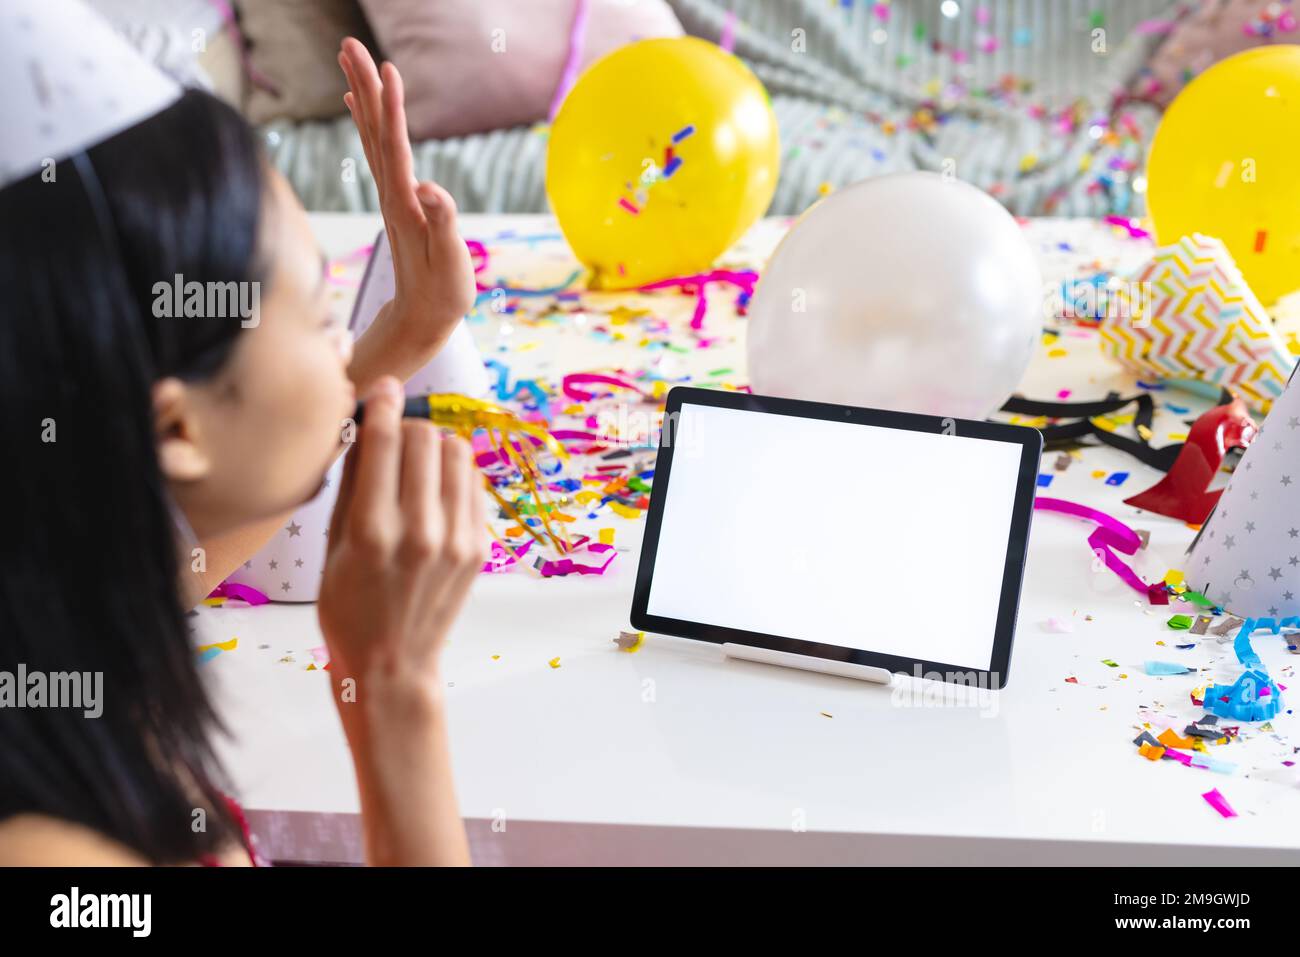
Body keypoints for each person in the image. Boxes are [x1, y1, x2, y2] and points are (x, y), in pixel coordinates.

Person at [0, 5, 482, 867]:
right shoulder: (50, 857)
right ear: (177, 426)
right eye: (324, 313)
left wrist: (405, 333)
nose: (343, 346)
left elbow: (155, 571)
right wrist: (392, 692)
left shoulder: (54, 619)